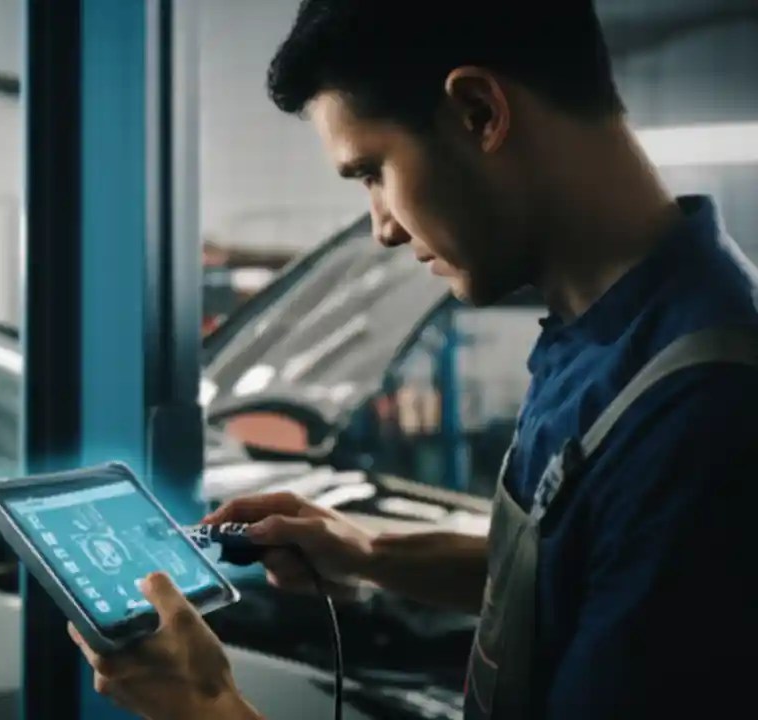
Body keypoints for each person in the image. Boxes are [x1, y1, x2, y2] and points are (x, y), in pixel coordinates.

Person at [67, 1, 758, 718]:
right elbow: (579, 571)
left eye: (371, 170)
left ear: (479, 113)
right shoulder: (610, 333)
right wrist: (369, 555)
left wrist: (205, 705)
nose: (383, 227)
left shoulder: (702, 416)